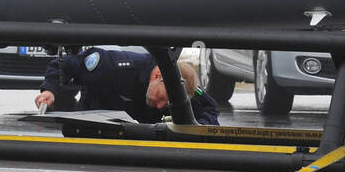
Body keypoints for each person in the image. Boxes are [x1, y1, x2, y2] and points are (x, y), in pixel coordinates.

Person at [34, 47, 220, 125]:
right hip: (92, 132)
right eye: (162, 99)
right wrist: (50, 90)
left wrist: (196, 127)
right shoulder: (115, 67)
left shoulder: (181, 83)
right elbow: (64, 64)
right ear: (157, 76)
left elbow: (210, 108)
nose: (162, 106)